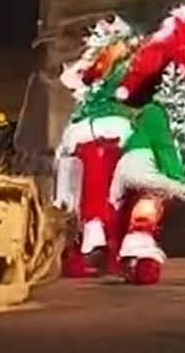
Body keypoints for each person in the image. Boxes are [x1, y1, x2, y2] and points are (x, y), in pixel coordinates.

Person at [108, 5, 185, 285]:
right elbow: (165, 148)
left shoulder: (156, 57)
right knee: (150, 199)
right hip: (148, 157)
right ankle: (138, 251)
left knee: (136, 202)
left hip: (132, 150)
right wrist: (177, 179)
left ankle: (125, 254)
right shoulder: (158, 112)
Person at [54, 16, 141, 278]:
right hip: (91, 136)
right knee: (85, 188)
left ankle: (101, 246)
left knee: (104, 191)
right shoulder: (97, 69)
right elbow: (71, 79)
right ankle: (89, 246)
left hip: (109, 135)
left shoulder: (123, 69)